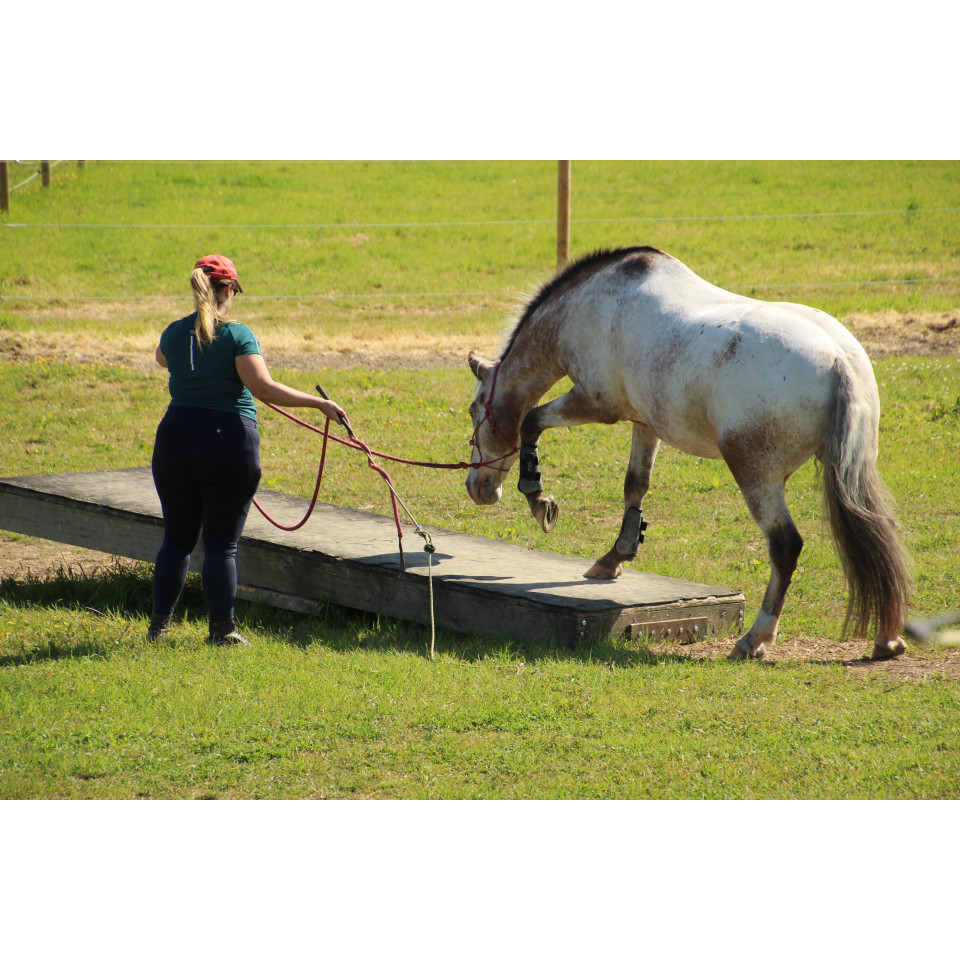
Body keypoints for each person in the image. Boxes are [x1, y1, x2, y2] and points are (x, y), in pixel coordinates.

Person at [147, 254, 349, 646]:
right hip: (227, 441)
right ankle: (222, 632)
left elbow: (161, 359)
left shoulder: (172, 332)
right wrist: (320, 404)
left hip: (173, 440)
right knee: (221, 545)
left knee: (176, 539)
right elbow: (263, 389)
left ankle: (158, 628)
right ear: (228, 290)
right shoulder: (238, 334)